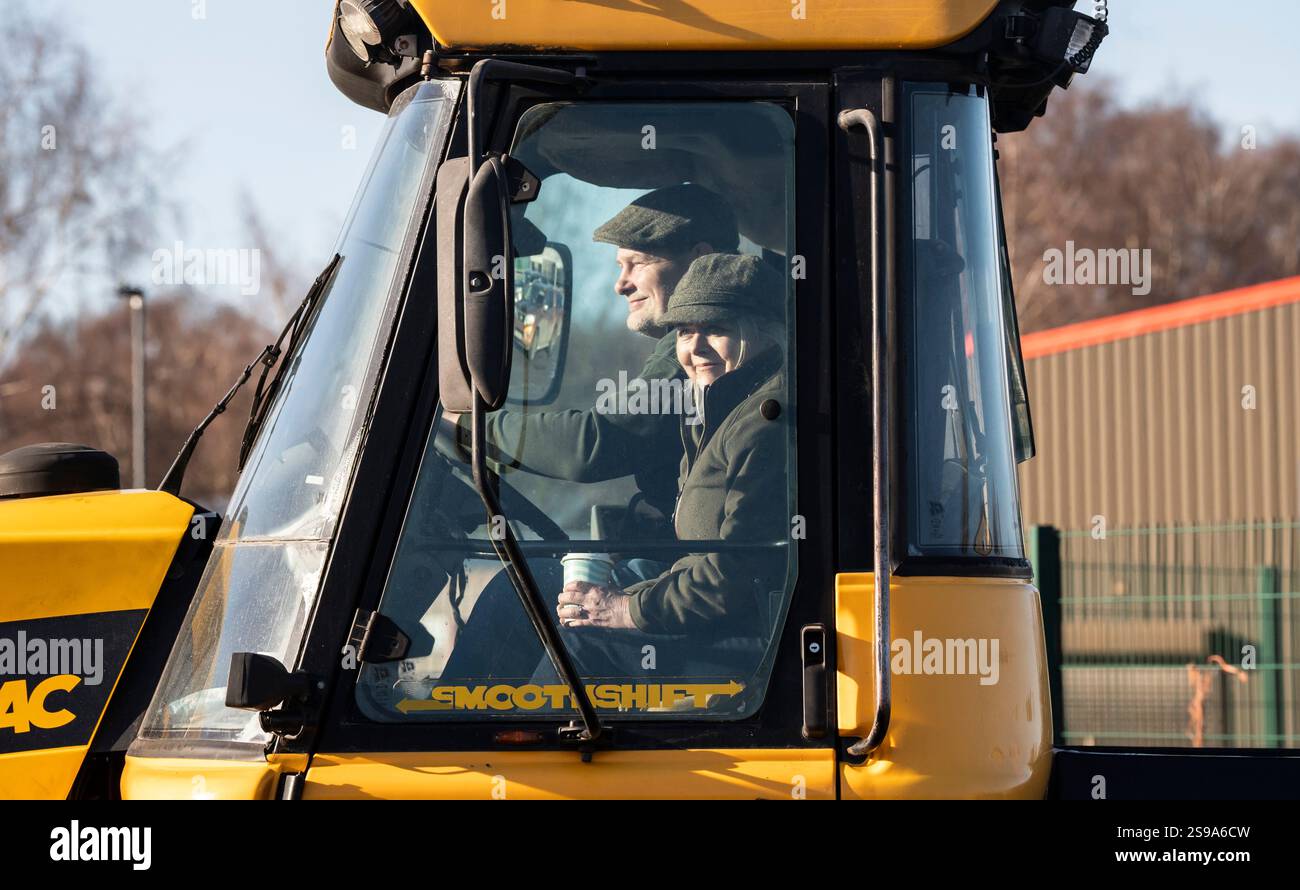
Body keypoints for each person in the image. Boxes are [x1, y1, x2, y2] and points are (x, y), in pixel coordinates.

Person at [549, 252, 791, 676]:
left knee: (575, 645)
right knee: (547, 606)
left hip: (756, 643)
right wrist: (609, 599)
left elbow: (735, 573)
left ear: (765, 333)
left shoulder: (766, 423)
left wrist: (625, 609)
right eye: (683, 332)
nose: (695, 349)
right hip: (715, 615)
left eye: (716, 329)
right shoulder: (713, 410)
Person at [453, 183, 739, 521]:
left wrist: (469, 426)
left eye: (637, 263)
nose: (621, 284)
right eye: (621, 266)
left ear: (700, 262)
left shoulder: (707, 352)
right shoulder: (734, 335)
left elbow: (593, 445)